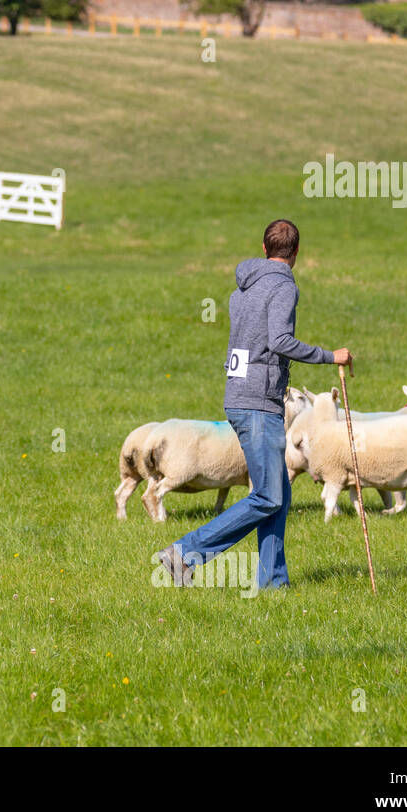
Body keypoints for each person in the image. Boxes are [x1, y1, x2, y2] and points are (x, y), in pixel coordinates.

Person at [156, 220, 351, 591]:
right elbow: (280, 341)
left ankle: (273, 582)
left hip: (240, 394)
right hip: (259, 403)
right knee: (267, 496)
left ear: (264, 248)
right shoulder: (282, 287)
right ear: (295, 254)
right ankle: (185, 552)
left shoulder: (242, 289)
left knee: (279, 494)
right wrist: (330, 356)